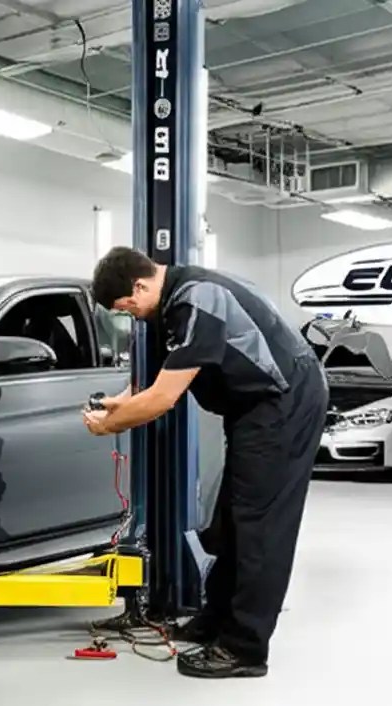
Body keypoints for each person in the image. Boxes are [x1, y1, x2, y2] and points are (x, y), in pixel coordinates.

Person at [82, 246, 328, 679]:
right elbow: (154, 380)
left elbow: (162, 399)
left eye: (128, 306)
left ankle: (245, 648)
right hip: (254, 406)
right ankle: (216, 619)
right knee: (232, 516)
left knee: (260, 525)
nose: (132, 316)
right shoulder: (174, 301)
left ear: (139, 285)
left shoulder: (197, 299)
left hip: (285, 400)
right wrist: (115, 403)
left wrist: (110, 426)